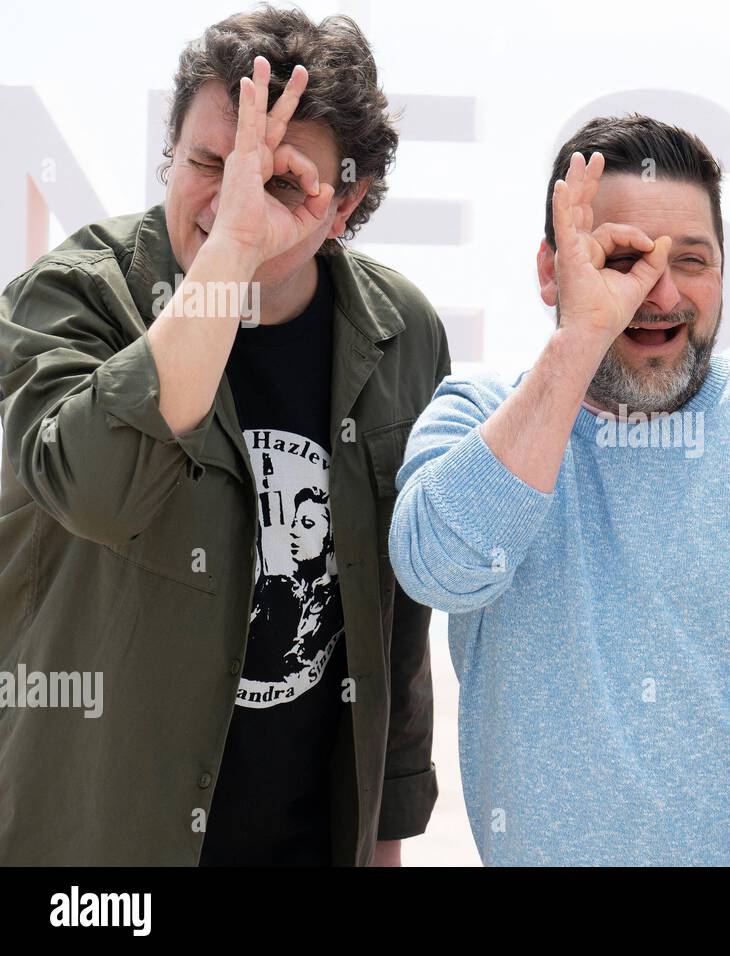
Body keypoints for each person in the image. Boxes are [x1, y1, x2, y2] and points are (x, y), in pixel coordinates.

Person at [389, 114, 730, 866]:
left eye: (693, 259)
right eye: (622, 258)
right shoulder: (479, 416)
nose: (660, 292)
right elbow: (438, 568)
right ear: (553, 271)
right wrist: (581, 339)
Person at [0, 8, 450, 865]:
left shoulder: (402, 331)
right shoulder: (67, 299)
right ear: (169, 151)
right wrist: (234, 251)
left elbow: (397, 613)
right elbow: (101, 492)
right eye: (209, 164)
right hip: (100, 849)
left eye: (275, 183)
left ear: (345, 201)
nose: (229, 201)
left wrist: (385, 829)